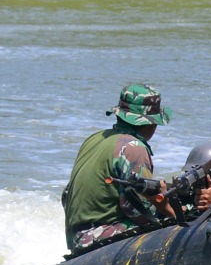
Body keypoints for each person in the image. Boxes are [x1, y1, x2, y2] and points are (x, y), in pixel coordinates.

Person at [62, 83, 174, 254]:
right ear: (151, 123)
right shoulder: (134, 147)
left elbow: (66, 195)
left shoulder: (95, 139)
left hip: (75, 237)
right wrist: (169, 210)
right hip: (99, 236)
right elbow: (135, 208)